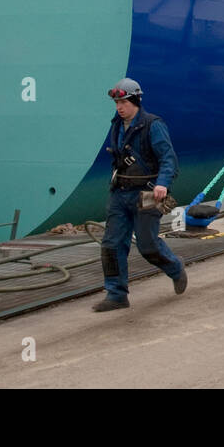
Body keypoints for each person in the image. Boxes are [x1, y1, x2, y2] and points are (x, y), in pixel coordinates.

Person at [94, 78, 187, 311]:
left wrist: (162, 184)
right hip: (120, 193)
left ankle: (176, 268)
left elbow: (168, 159)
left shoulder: (153, 125)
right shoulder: (117, 125)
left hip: (146, 194)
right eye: (117, 102)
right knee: (111, 245)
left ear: (135, 100)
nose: (119, 106)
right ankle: (116, 294)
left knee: (148, 245)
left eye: (123, 101)